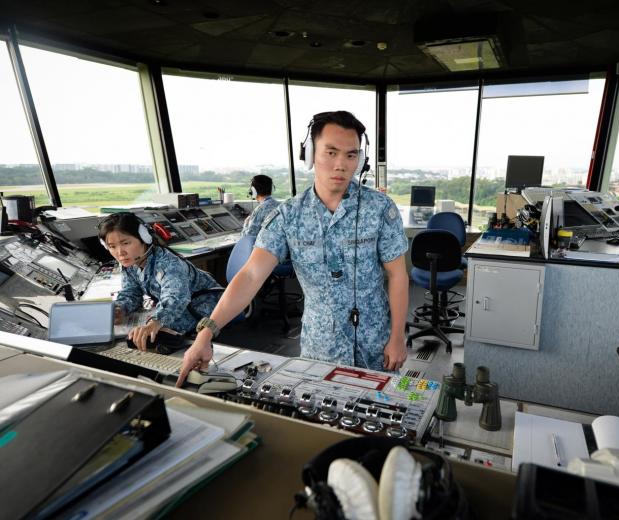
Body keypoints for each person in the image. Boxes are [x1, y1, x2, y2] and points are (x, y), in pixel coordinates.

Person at [177, 111, 409, 385]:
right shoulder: (288, 216)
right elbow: (251, 275)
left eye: (351, 155)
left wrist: (397, 338)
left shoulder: (380, 209)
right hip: (320, 350)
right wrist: (206, 333)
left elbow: (397, 275)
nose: (341, 165)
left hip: (376, 345)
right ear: (310, 155)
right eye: (331, 152)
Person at [98, 212, 223, 351]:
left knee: (153, 334)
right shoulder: (131, 263)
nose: (120, 252)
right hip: (178, 307)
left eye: (125, 243)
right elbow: (131, 292)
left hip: (206, 305)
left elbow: (175, 297)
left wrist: (155, 322)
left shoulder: (168, 263)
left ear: (144, 238)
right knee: (142, 333)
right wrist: (120, 308)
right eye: (112, 246)